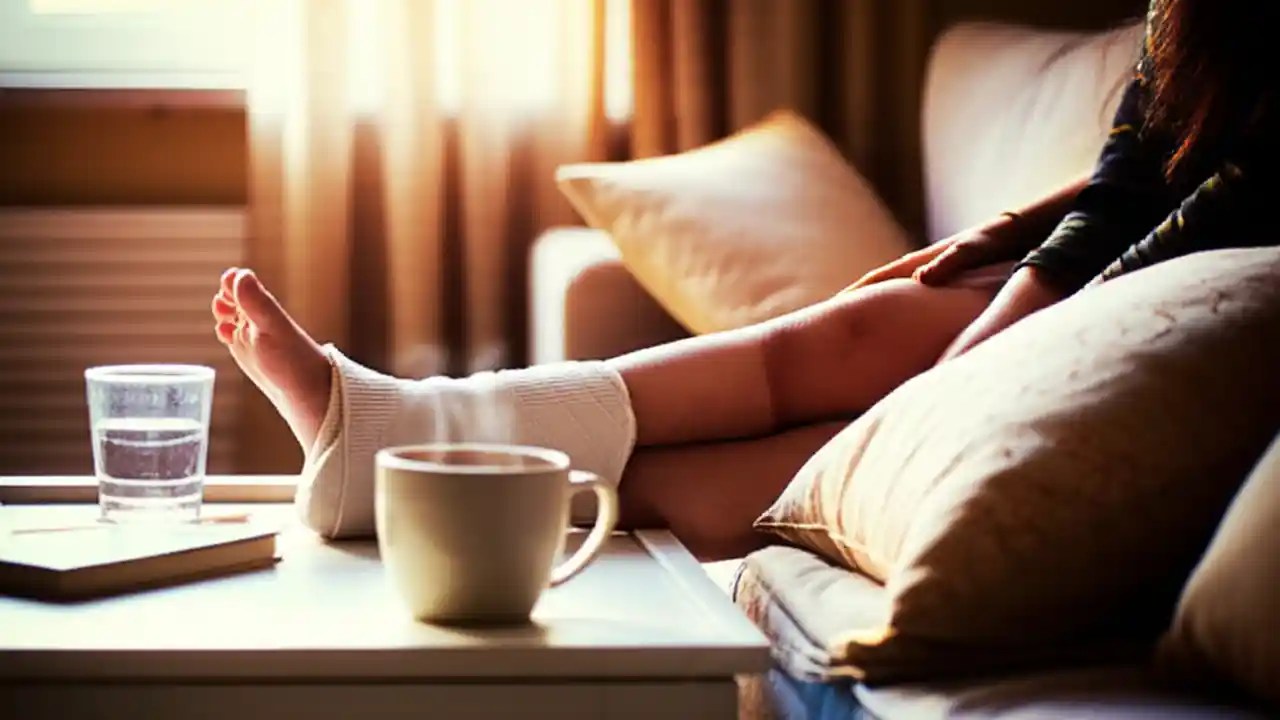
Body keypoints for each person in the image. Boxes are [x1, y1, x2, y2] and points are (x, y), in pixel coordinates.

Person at [211, 0, 1278, 559]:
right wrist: (1007, 240)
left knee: (826, 447)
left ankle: (413, 470)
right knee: (849, 336)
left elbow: (1221, 207)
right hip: (1125, 268)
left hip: (1213, 310)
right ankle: (401, 430)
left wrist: (995, 352)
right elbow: (1135, 167)